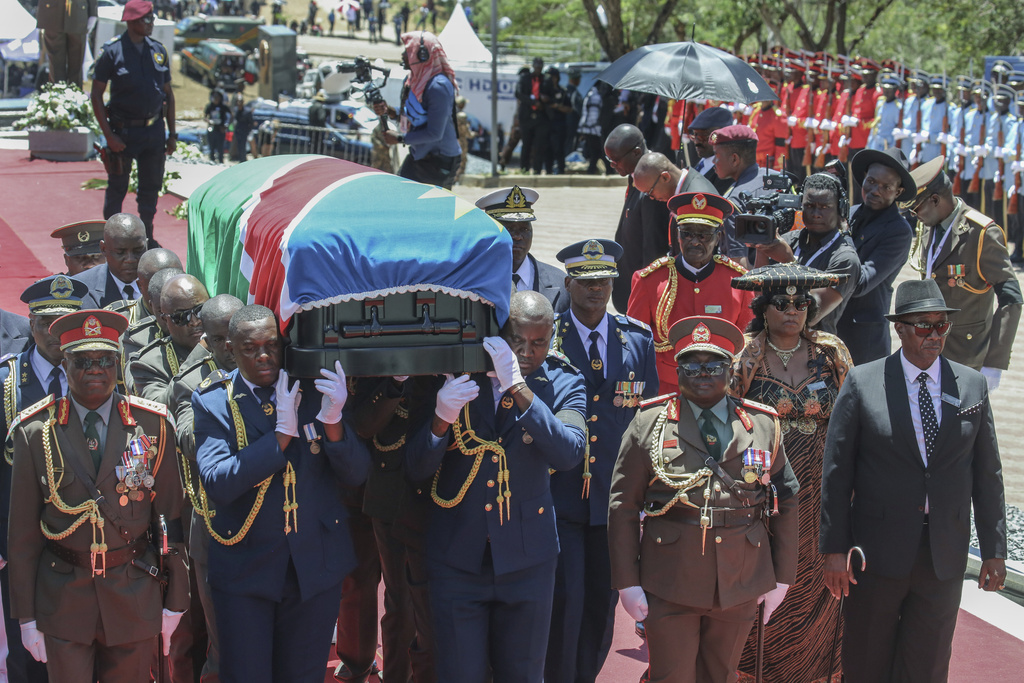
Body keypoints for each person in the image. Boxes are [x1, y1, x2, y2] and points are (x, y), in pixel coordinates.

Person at [820, 278, 1007, 683]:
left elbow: (987, 474)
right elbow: (837, 472)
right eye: (924, 326)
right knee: (867, 659)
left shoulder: (971, 384)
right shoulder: (862, 382)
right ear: (899, 328)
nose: (935, 335)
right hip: (875, 552)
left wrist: (994, 548)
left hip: (943, 553)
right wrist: (834, 549)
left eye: (942, 325)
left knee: (928, 664)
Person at [403, 291, 585, 683]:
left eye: (538, 342)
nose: (526, 352)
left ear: (552, 337)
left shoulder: (563, 381)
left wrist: (518, 387)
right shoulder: (454, 373)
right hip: (457, 558)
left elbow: (569, 453)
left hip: (527, 561)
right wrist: (440, 418)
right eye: (517, 341)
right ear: (500, 334)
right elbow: (416, 467)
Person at [608, 316, 799, 683]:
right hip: (670, 578)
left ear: (731, 369)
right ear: (677, 369)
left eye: (714, 365)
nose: (702, 373)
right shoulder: (649, 422)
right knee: (671, 676)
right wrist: (626, 581)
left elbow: (785, 499)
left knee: (722, 675)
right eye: (691, 365)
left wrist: (782, 577)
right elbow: (623, 505)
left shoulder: (762, 424)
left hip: (741, 577)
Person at [8, 308, 188, 683]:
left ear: (119, 364)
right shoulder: (35, 431)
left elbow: (171, 519)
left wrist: (176, 603)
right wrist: (26, 617)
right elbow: (22, 537)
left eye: (106, 360)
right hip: (62, 597)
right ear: (64, 363)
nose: (95, 369)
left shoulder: (152, 424)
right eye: (83, 361)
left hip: (133, 590)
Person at [192, 305, 371, 683]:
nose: (263, 356)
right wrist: (278, 439)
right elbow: (218, 481)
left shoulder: (311, 391)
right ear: (231, 348)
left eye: (271, 345)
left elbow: (356, 475)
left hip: (313, 564)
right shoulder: (214, 403)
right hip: (247, 568)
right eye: (250, 347)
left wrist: (335, 422)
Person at [728, 263, 853, 682]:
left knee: (819, 583)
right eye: (782, 303)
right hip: (766, 494)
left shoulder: (831, 351)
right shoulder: (745, 356)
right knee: (763, 586)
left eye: (802, 303)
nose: (793, 311)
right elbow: (727, 425)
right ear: (764, 308)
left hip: (824, 489)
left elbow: (855, 418)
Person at [544, 239, 658, 683]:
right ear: (568, 283)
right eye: (587, 281)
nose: (597, 290)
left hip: (614, 499)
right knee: (564, 600)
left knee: (601, 604)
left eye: (604, 280)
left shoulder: (636, 338)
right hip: (559, 493)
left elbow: (645, 419)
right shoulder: (548, 336)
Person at [0, 275, 88, 683]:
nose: (55, 333)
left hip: (87, 540)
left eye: (65, 323)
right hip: (18, 543)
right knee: (26, 653)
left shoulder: (100, 373)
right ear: (29, 323)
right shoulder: (5, 383)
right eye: (45, 322)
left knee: (85, 647)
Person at [335, 374, 442, 683]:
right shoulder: (380, 357)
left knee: (444, 596)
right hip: (391, 485)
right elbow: (364, 424)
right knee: (400, 597)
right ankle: (396, 675)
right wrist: (395, 379)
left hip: (446, 487)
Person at [165, 293, 243, 683]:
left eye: (237, 334)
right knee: (225, 645)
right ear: (206, 342)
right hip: (217, 531)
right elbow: (190, 439)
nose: (231, 346)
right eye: (220, 338)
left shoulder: (271, 368)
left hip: (273, 528)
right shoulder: (191, 384)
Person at [904, 157, 1022, 389]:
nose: (914, 216)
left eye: (916, 209)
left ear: (935, 200)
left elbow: (1012, 298)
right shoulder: (930, 227)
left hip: (967, 357)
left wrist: (994, 362)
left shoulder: (982, 233)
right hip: (927, 351)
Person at [627, 191, 754, 395]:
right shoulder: (649, 280)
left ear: (718, 237)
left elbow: (748, 343)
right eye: (687, 233)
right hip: (666, 388)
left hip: (722, 388)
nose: (694, 241)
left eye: (703, 234)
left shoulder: (739, 282)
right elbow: (635, 343)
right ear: (678, 236)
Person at [91, 0, 176, 248]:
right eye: (146, 19)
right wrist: (108, 135)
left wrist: (172, 134)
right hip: (123, 133)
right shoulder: (112, 52)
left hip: (154, 131)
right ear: (131, 22)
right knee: (117, 189)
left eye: (152, 18)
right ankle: (112, 240)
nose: (151, 23)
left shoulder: (158, 51)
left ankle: (145, 239)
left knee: (150, 191)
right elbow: (96, 95)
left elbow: (168, 95)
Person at [836, 147, 916, 364]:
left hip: (863, 339)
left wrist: (841, 235)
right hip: (830, 328)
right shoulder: (849, 214)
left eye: (886, 187)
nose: (875, 190)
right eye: (871, 181)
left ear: (898, 192)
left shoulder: (899, 231)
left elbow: (862, 283)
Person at [754, 173, 861, 335]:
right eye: (810, 206)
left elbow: (809, 315)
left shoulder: (845, 259)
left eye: (825, 207)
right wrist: (761, 248)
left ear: (840, 210)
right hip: (772, 342)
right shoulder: (789, 240)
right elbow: (759, 297)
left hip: (814, 351)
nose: (816, 213)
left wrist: (789, 262)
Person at [372, 31, 461, 189]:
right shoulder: (414, 80)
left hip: (439, 160)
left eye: (407, 51)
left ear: (422, 55)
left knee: (430, 208)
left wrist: (400, 138)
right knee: (401, 196)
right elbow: (414, 115)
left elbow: (435, 133)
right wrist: (390, 111)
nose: (402, 55)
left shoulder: (438, 87)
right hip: (421, 155)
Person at [604, 124, 671, 312]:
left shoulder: (652, 188)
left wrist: (646, 295)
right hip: (629, 288)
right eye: (608, 159)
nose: (611, 165)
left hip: (642, 295)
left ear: (636, 152)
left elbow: (653, 249)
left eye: (615, 160)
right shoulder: (636, 177)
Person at [475, 185, 569, 314]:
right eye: (509, 229)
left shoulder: (560, 283)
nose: (518, 237)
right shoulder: (470, 279)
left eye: (524, 229)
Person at [631, 151, 718, 260]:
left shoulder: (695, 199)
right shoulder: (683, 190)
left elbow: (699, 255)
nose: (651, 198)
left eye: (650, 192)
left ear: (665, 177)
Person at [710, 124, 770, 262]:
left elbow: (738, 263)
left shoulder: (734, 201)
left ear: (734, 159)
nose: (714, 161)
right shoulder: (779, 179)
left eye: (716, 155)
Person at [76, 213, 148, 309]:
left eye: (138, 250)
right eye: (120, 252)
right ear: (103, 249)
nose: (130, 259)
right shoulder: (80, 290)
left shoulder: (163, 283)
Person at [36, 0, 96, 87]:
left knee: (77, 62)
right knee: (56, 64)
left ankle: (75, 95)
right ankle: (58, 95)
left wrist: (93, 12)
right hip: (53, 12)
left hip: (78, 12)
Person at [516, 57, 553, 175]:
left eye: (540, 67)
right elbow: (518, 93)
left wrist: (545, 100)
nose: (538, 69)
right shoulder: (524, 78)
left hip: (541, 116)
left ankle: (537, 170)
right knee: (526, 144)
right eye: (536, 67)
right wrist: (533, 102)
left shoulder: (547, 80)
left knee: (539, 145)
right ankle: (524, 169)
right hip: (526, 115)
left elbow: (551, 96)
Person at [686, 106, 735, 193]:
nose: (696, 142)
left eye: (702, 137)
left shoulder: (726, 172)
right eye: (695, 135)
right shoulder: (701, 163)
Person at [204, 90, 232, 164]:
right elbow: (205, 117)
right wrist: (209, 121)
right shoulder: (210, 106)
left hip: (221, 129)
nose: (216, 99)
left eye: (217, 97)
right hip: (212, 128)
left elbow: (232, 115)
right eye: (214, 97)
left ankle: (220, 161)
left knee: (220, 147)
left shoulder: (223, 107)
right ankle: (212, 161)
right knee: (211, 147)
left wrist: (227, 125)